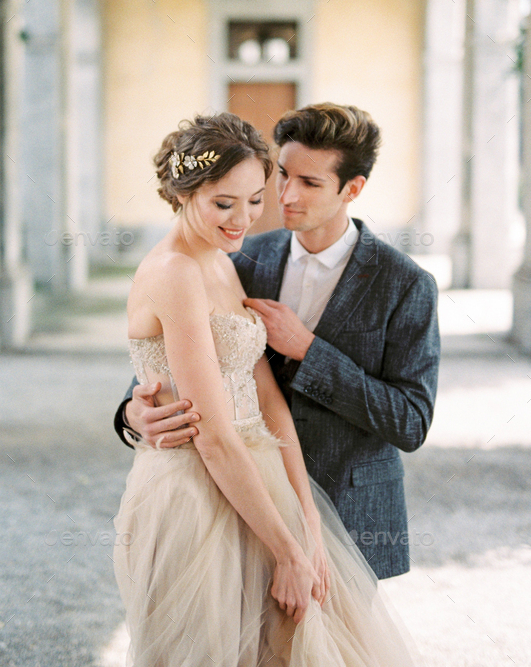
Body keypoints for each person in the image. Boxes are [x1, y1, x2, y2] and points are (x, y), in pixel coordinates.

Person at [112, 111, 422, 666]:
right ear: (184, 193)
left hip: (325, 502)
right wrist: (135, 413)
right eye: (280, 177)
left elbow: (411, 420)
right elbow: (172, 378)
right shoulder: (243, 253)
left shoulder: (405, 284)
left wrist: (305, 521)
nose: (278, 200)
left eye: (306, 182)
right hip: (207, 488)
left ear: (353, 189)